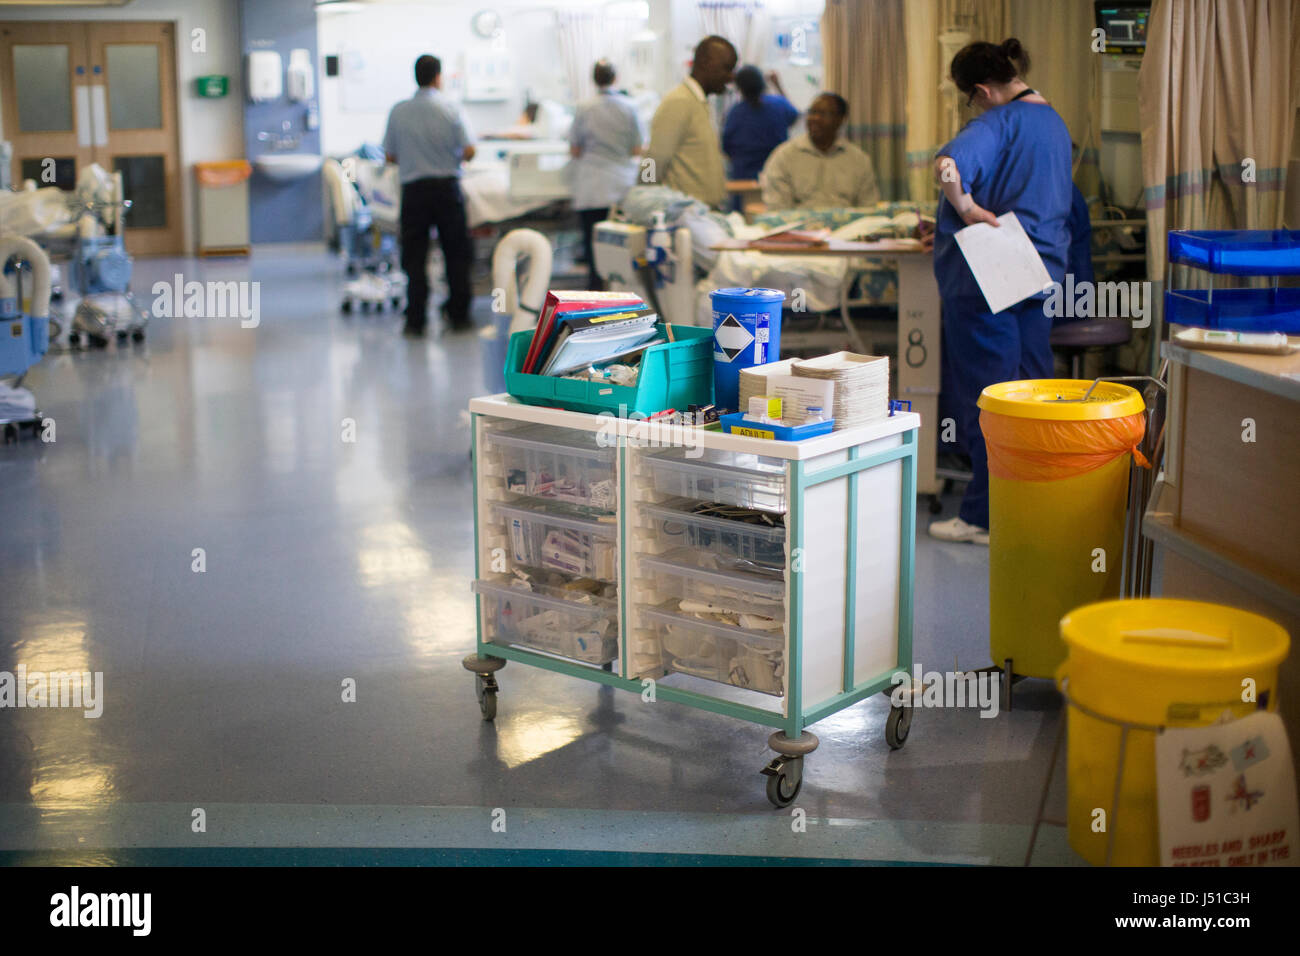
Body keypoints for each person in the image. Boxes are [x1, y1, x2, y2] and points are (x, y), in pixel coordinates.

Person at [926, 38, 1072, 544]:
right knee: (1032, 393)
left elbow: (948, 166)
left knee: (990, 399)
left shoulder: (996, 122)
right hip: (1039, 273)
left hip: (988, 277)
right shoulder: (1055, 123)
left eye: (970, 97)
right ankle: (1030, 509)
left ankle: (984, 517)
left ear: (983, 90)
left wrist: (965, 209)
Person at [383, 54, 476, 337]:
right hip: (447, 189)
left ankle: (416, 319)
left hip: (414, 192)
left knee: (414, 257)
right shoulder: (451, 108)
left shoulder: (399, 111)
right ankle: (458, 316)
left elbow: (389, 155)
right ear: (438, 77)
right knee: (455, 254)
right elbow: (470, 150)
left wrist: (415, 159)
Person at [570, 60, 643, 289]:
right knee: (621, 248)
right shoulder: (629, 107)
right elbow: (637, 149)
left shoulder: (583, 108)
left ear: (594, 79)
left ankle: (595, 295)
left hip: (591, 187)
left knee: (594, 251)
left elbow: (575, 150)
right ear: (616, 78)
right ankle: (622, 297)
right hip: (621, 187)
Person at [644, 36, 737, 208]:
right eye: (726, 68)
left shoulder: (700, 102)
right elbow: (654, 160)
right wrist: (643, 196)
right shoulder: (679, 102)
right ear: (704, 63)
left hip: (705, 214)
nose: (731, 77)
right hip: (684, 217)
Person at [759, 93, 879, 209]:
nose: (815, 118)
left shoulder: (859, 160)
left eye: (823, 114)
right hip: (799, 228)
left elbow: (868, 207)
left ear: (841, 119)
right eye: (812, 112)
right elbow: (778, 209)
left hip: (849, 228)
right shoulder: (784, 156)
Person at [722, 66, 799, 183]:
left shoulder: (736, 113)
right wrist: (777, 86)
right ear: (762, 82)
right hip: (776, 175)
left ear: (740, 88)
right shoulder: (779, 104)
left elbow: (726, 146)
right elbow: (794, 117)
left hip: (743, 178)